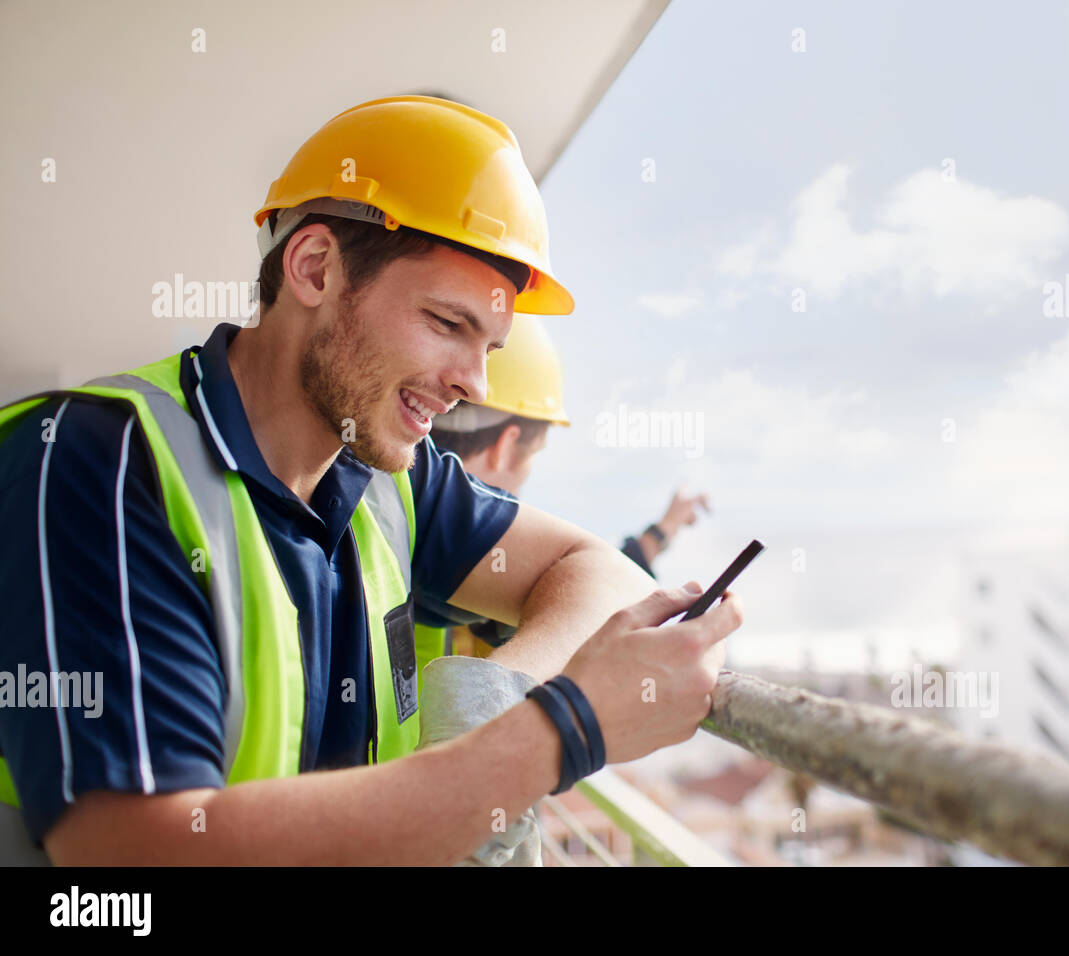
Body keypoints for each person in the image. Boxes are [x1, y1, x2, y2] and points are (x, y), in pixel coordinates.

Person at [0, 95, 743, 865]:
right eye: (449, 325)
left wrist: (498, 697)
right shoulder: (96, 458)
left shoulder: (388, 483)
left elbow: (604, 577)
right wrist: (555, 733)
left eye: (490, 346)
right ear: (315, 268)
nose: (475, 385)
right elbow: (137, 857)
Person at [423, 312, 710, 656]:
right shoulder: (453, 551)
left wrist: (660, 533)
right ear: (506, 446)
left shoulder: (390, 506)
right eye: (533, 454)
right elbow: (590, 590)